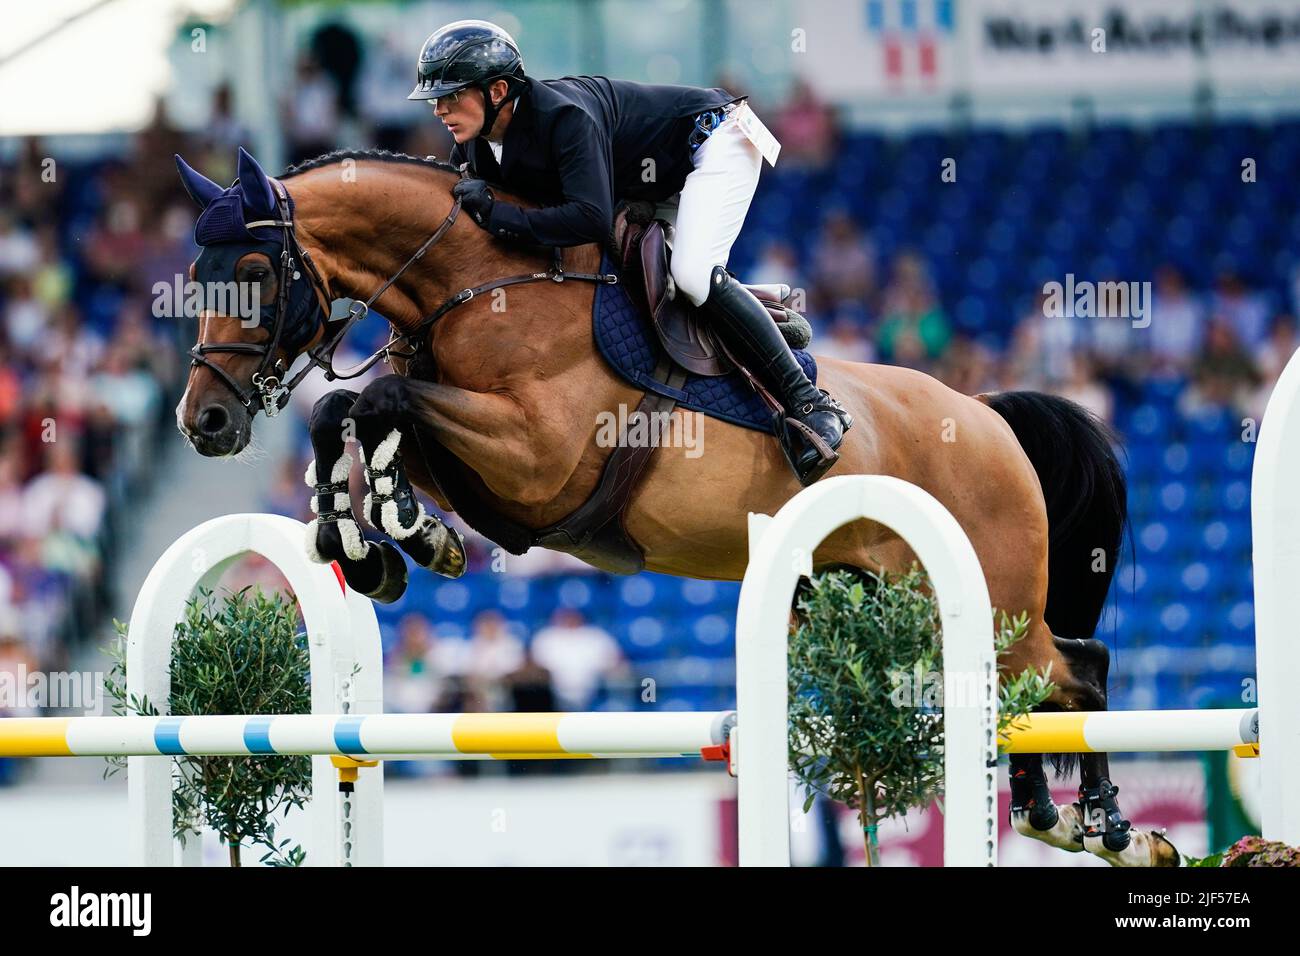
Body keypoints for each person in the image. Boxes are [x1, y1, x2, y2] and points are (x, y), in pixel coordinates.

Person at [406, 20, 851, 485]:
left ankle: (809, 403)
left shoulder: (563, 118)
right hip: (646, 179)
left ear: (497, 90)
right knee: (653, 278)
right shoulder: (477, 143)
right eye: (436, 99)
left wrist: (498, 215)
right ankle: (758, 307)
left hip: (715, 140)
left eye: (451, 96)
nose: (438, 109)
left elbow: (588, 220)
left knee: (694, 274)